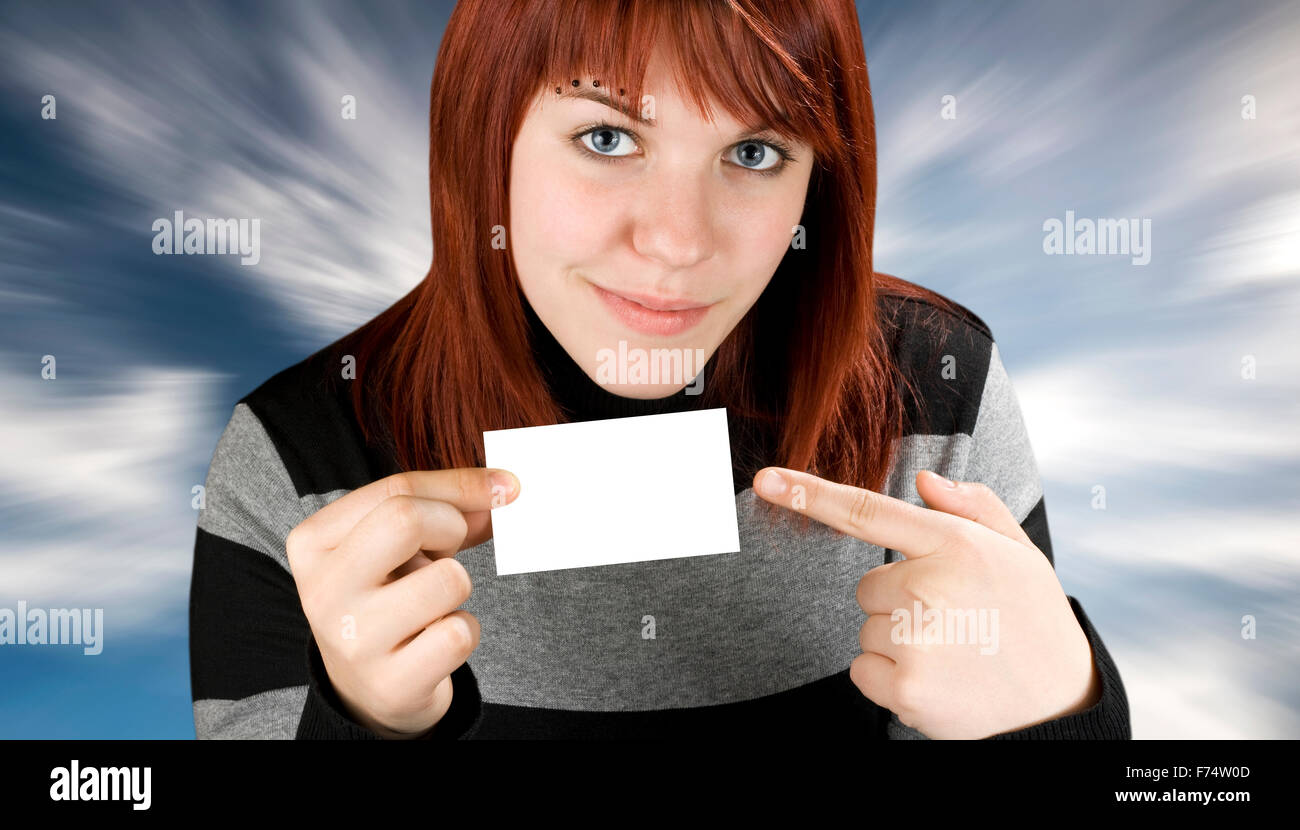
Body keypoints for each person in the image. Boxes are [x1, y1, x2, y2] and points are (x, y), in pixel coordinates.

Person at [190, 0, 1130, 739]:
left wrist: (1061, 714)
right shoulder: (291, 461)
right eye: (607, 138)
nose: (679, 242)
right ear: (484, 142)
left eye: (755, 152)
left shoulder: (939, 389)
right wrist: (360, 727)